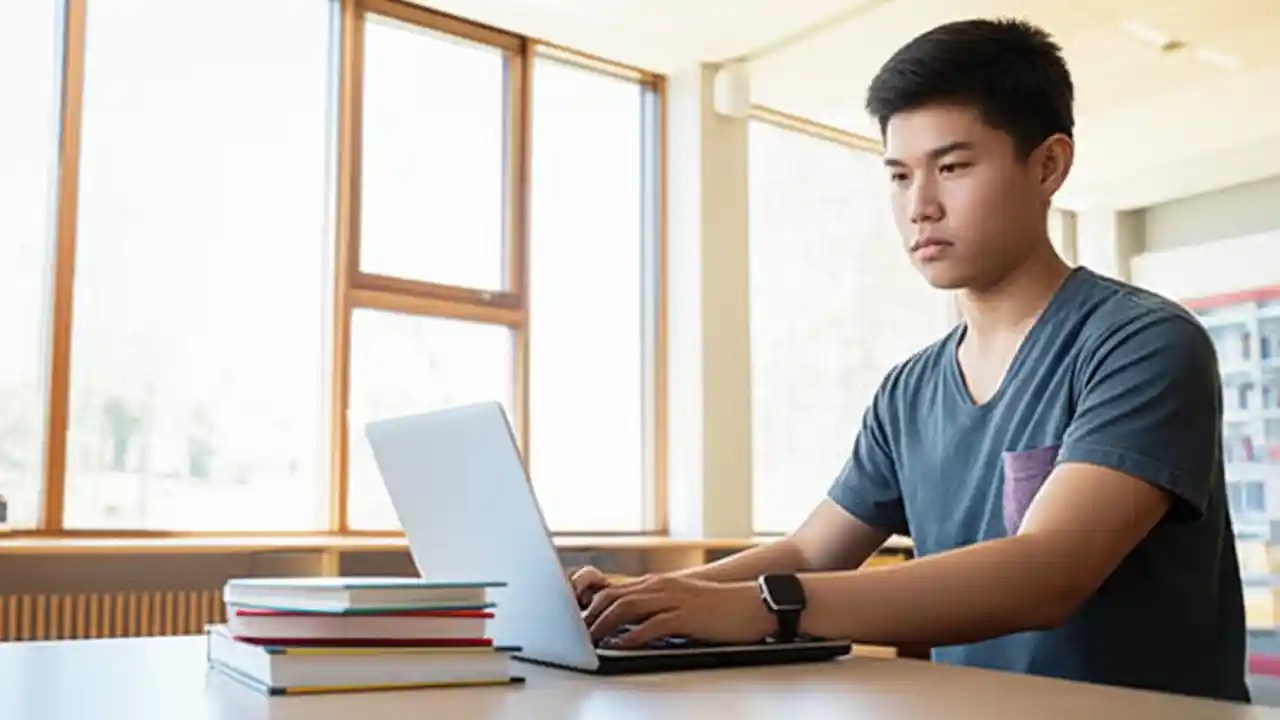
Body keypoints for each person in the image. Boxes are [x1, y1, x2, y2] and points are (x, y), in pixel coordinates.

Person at [573, 17, 1250, 702]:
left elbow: (1050, 570)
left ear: (1048, 165)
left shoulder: (1142, 343)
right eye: (899, 176)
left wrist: (765, 605)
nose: (919, 207)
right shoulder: (909, 390)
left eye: (952, 167)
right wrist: (642, 598)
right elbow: (812, 551)